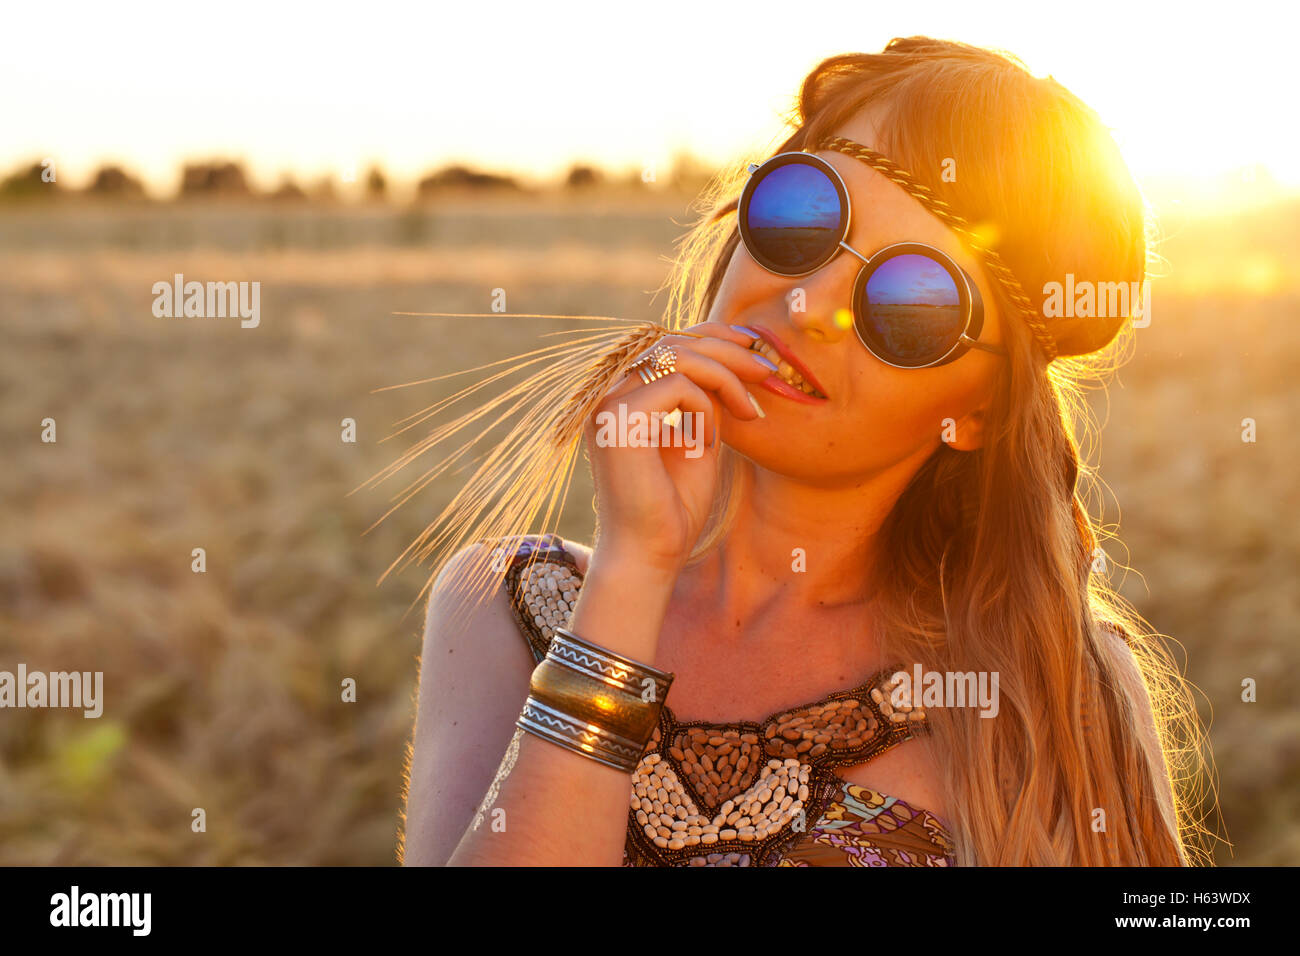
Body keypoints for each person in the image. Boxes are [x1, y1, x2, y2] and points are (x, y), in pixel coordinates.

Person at [399, 36, 1217, 866]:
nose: (809, 302)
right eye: (804, 217)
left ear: (975, 411)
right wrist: (632, 575)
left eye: (913, 301)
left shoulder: (1051, 697)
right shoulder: (512, 609)